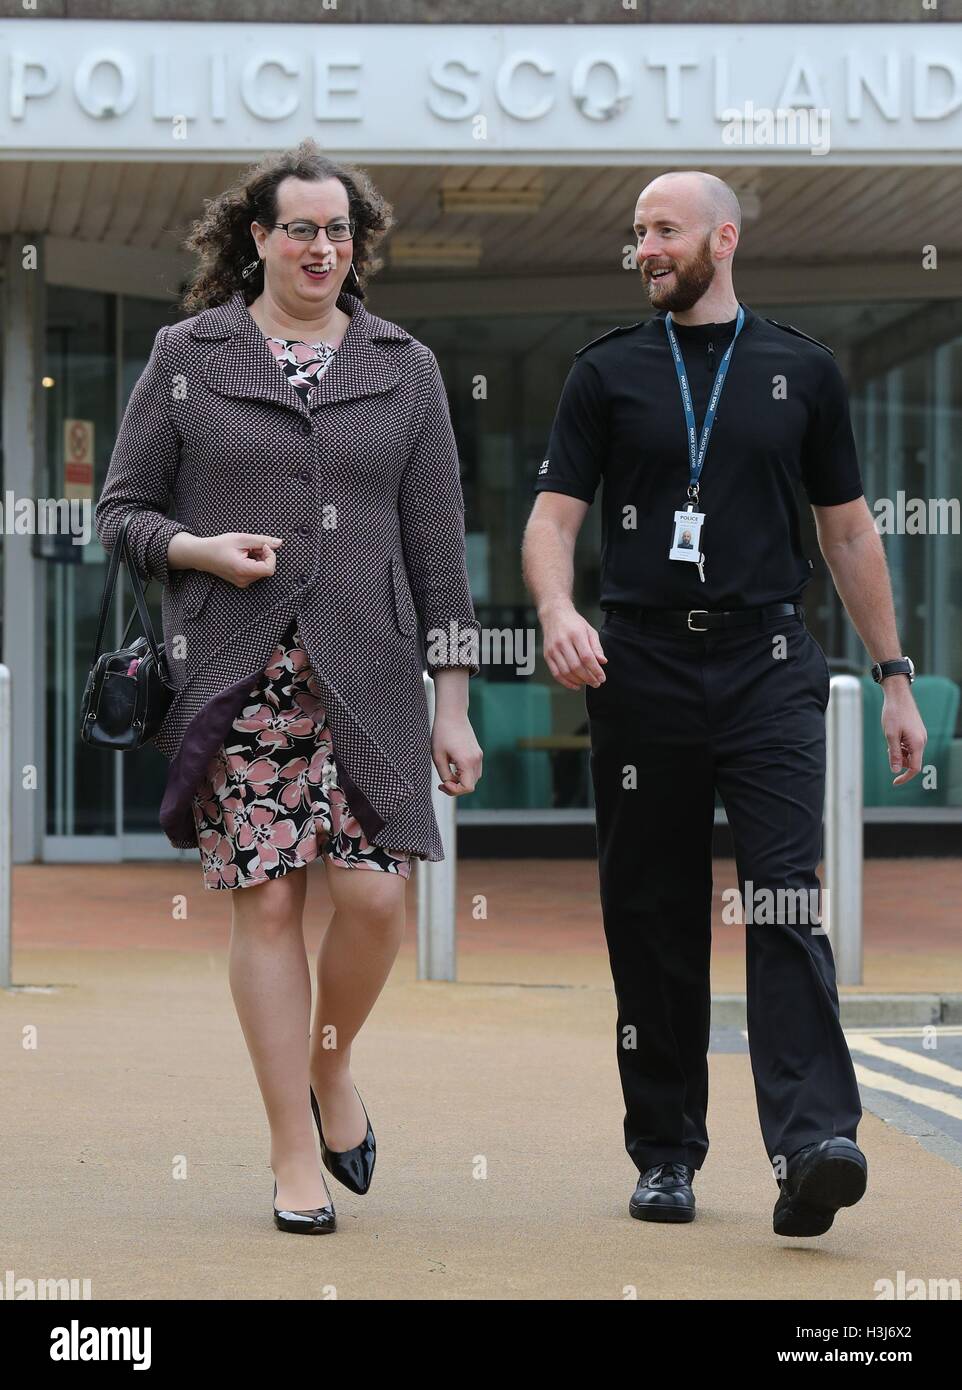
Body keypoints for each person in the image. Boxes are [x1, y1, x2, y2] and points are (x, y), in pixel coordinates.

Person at [522, 170, 926, 1238]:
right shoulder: (604, 372)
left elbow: (845, 533)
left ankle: (810, 1146)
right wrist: (559, 608)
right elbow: (552, 519)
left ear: (723, 238)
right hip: (639, 666)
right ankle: (664, 1153)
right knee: (650, 914)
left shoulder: (800, 368)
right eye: (636, 232)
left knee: (784, 898)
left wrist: (891, 675)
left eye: (663, 230)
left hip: (767, 664)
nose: (643, 247)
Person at [95, 140, 483, 1234]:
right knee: (266, 902)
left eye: (338, 230)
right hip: (238, 671)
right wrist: (200, 549)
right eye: (301, 228)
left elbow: (439, 550)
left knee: (371, 898)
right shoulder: (187, 353)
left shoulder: (404, 365)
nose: (322, 248)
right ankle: (288, 1154)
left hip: (369, 673)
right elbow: (120, 512)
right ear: (255, 237)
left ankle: (330, 1068)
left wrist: (453, 703)